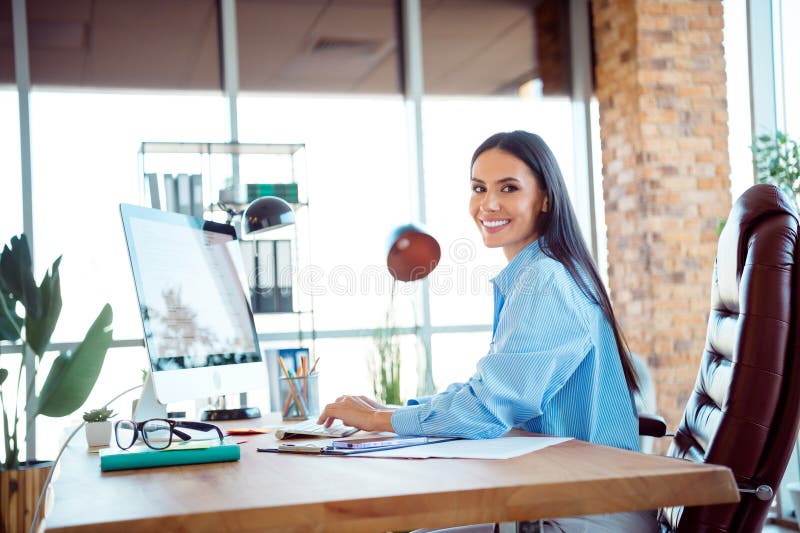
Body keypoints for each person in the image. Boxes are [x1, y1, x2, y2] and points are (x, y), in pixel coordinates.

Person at [317, 130, 656, 532]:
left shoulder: (545, 278)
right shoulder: (536, 273)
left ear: (545, 198)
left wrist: (384, 422)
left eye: (508, 188)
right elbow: (489, 387)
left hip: (583, 509)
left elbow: (489, 408)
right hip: (560, 492)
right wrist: (392, 412)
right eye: (479, 188)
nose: (488, 204)